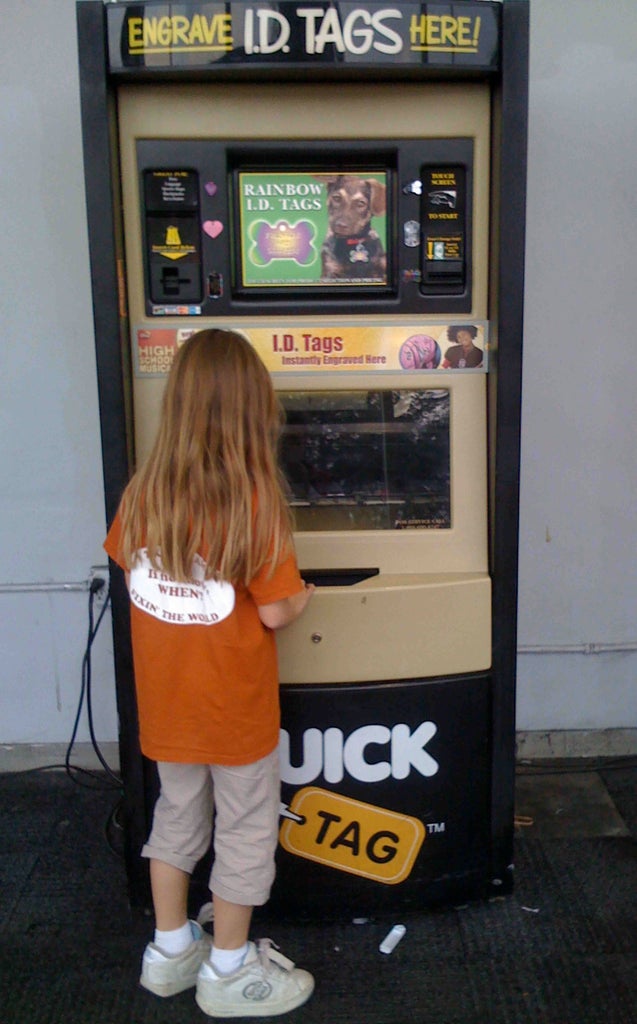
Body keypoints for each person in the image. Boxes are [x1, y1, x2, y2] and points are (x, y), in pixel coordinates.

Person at [104, 329, 315, 1018]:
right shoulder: (253, 499)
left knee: (175, 820)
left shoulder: (145, 492)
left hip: (168, 709)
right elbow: (279, 611)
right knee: (246, 831)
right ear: (253, 407)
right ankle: (228, 970)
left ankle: (168, 952)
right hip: (236, 714)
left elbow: (129, 567)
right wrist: (307, 593)